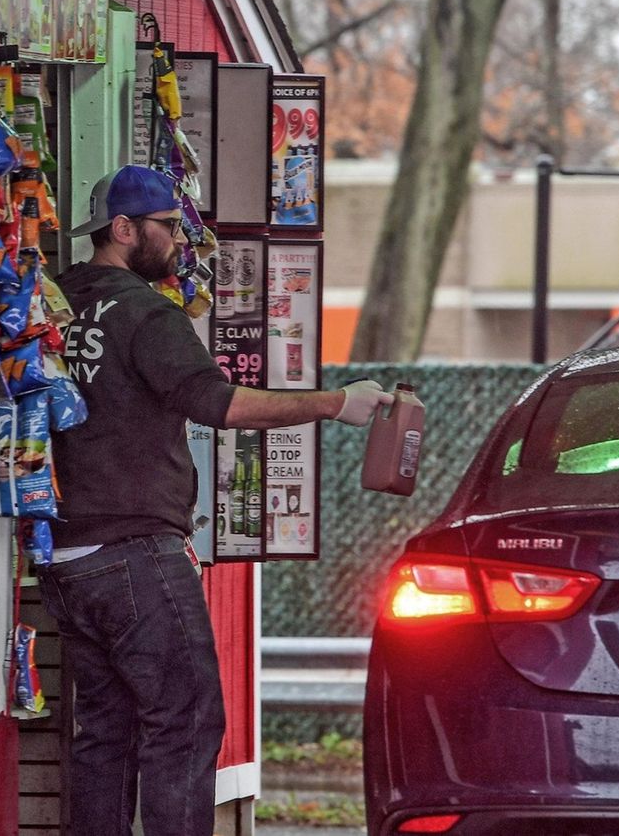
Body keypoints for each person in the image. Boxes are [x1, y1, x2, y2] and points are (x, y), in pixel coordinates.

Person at [41, 165, 392, 836]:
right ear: (123, 229)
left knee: (105, 733)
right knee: (187, 718)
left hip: (66, 556)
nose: (178, 239)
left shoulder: (58, 300)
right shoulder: (148, 314)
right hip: (134, 552)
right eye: (167, 226)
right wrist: (335, 402)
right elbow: (218, 403)